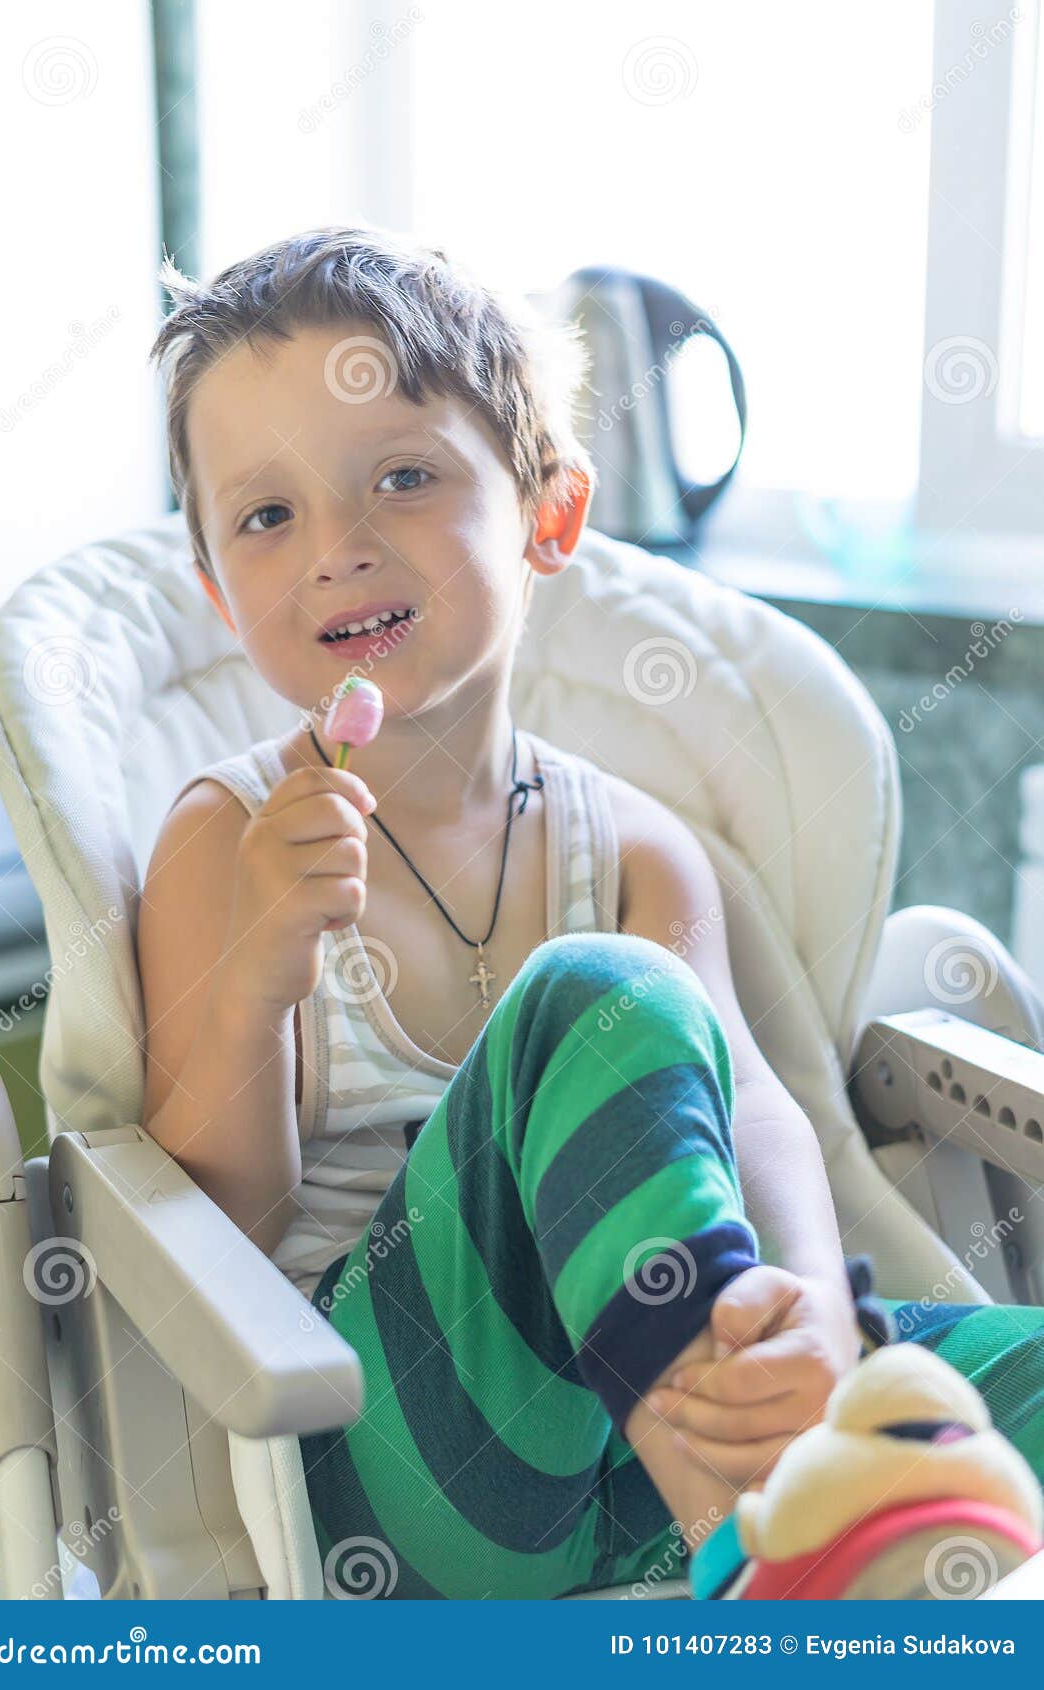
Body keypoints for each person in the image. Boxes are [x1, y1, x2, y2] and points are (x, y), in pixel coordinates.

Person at [138, 224, 1044, 1599]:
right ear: (218, 591)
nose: (340, 548)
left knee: (1009, 1377)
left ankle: (790, 1475)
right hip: (396, 1469)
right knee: (592, 995)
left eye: (404, 476)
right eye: (268, 516)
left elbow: (756, 1118)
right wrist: (261, 971)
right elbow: (202, 1228)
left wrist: (806, 1314)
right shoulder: (224, 840)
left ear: (549, 516)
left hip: (650, 1441)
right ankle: (772, 1535)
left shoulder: (636, 845)